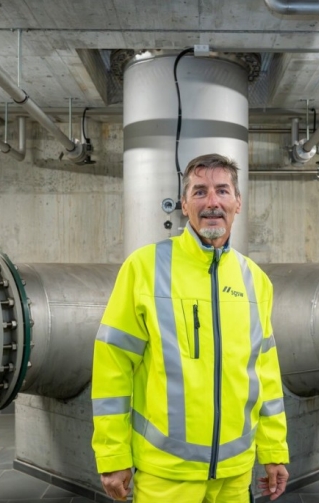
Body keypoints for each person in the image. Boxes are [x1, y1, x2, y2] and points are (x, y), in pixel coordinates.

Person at [91, 153, 289, 502]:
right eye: (200, 191)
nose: (212, 202)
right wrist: (113, 456)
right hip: (167, 473)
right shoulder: (144, 268)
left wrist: (273, 450)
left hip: (234, 474)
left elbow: (265, 374)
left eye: (222, 191)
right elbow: (113, 369)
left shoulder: (255, 281)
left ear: (237, 202)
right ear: (184, 204)